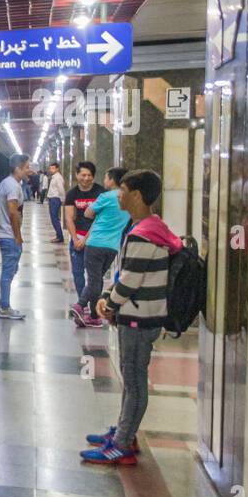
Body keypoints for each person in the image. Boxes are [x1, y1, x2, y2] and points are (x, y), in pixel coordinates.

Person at [81, 170, 181, 466]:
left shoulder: (142, 234)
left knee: (135, 381)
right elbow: (128, 275)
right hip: (142, 316)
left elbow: (129, 282)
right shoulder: (151, 226)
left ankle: (122, 444)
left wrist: (107, 303)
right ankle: (125, 430)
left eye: (123, 190)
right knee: (132, 379)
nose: (118, 195)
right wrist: (111, 298)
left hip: (138, 319)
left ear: (137, 195)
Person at [74, 167, 130, 327]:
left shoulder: (106, 196)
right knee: (97, 280)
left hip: (95, 242)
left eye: (106, 178)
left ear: (112, 180)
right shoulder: (127, 198)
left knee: (93, 279)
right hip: (112, 246)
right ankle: (93, 315)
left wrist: (101, 213)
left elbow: (88, 213)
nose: (104, 181)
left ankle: (80, 304)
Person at [0, 153, 33, 320]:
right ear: (18, 169)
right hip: (9, 235)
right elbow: (13, 212)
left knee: (10, 269)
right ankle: (4, 307)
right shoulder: (13, 186)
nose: (28, 170)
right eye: (26, 167)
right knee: (8, 272)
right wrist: (18, 236)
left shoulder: (7, 183)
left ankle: (2, 303)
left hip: (6, 234)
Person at [62, 161, 104, 306]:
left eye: (90, 175)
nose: (86, 178)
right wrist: (75, 239)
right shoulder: (72, 194)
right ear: (76, 175)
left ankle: (95, 306)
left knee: (95, 276)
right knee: (78, 272)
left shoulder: (101, 192)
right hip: (77, 237)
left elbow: (100, 218)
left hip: (96, 239)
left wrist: (86, 239)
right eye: (83, 175)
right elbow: (68, 217)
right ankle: (82, 304)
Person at [45, 163, 66, 244]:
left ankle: (60, 237)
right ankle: (58, 235)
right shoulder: (54, 177)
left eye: (53, 168)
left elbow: (61, 189)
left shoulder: (58, 178)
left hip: (55, 199)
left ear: (57, 169)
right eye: (50, 168)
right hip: (52, 199)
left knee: (55, 218)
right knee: (53, 218)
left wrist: (63, 199)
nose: (51, 170)